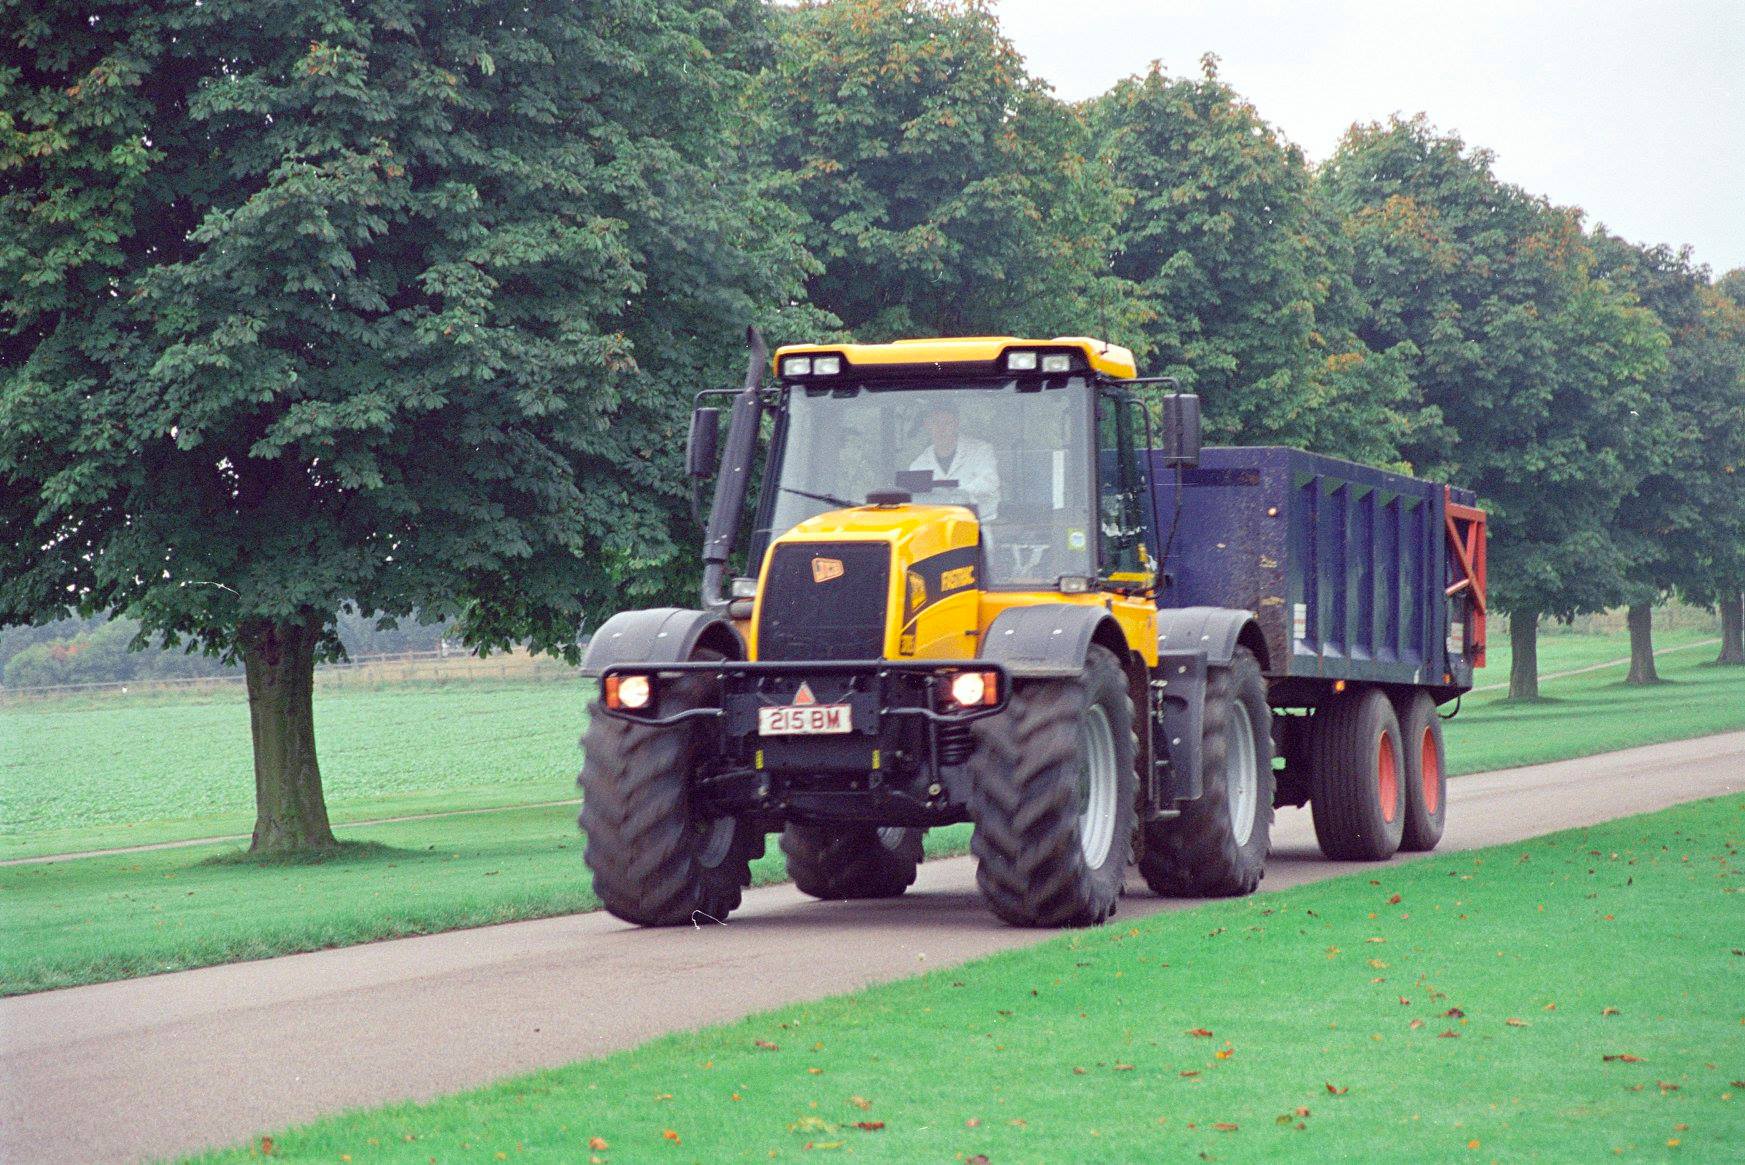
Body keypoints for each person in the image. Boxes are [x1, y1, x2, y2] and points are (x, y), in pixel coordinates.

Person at [909, 404, 1000, 519]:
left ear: (956, 424)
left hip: (978, 526)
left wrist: (957, 490)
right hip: (937, 528)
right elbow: (916, 502)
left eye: (947, 423)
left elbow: (990, 483)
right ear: (927, 425)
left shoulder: (981, 450)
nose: (941, 429)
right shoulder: (919, 464)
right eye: (936, 423)